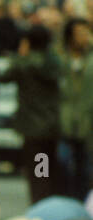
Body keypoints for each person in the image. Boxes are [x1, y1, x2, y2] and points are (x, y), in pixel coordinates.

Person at [0, 24, 62, 203]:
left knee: (38, 169)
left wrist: (20, 54)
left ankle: (40, 200)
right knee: (49, 166)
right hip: (52, 122)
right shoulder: (52, 61)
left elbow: (4, 76)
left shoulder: (24, 63)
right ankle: (49, 198)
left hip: (33, 126)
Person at [57, 17, 93, 200]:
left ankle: (81, 203)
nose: (84, 37)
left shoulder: (91, 61)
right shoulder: (60, 60)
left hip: (87, 125)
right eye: (79, 33)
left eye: (86, 33)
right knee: (58, 163)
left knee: (84, 169)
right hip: (63, 123)